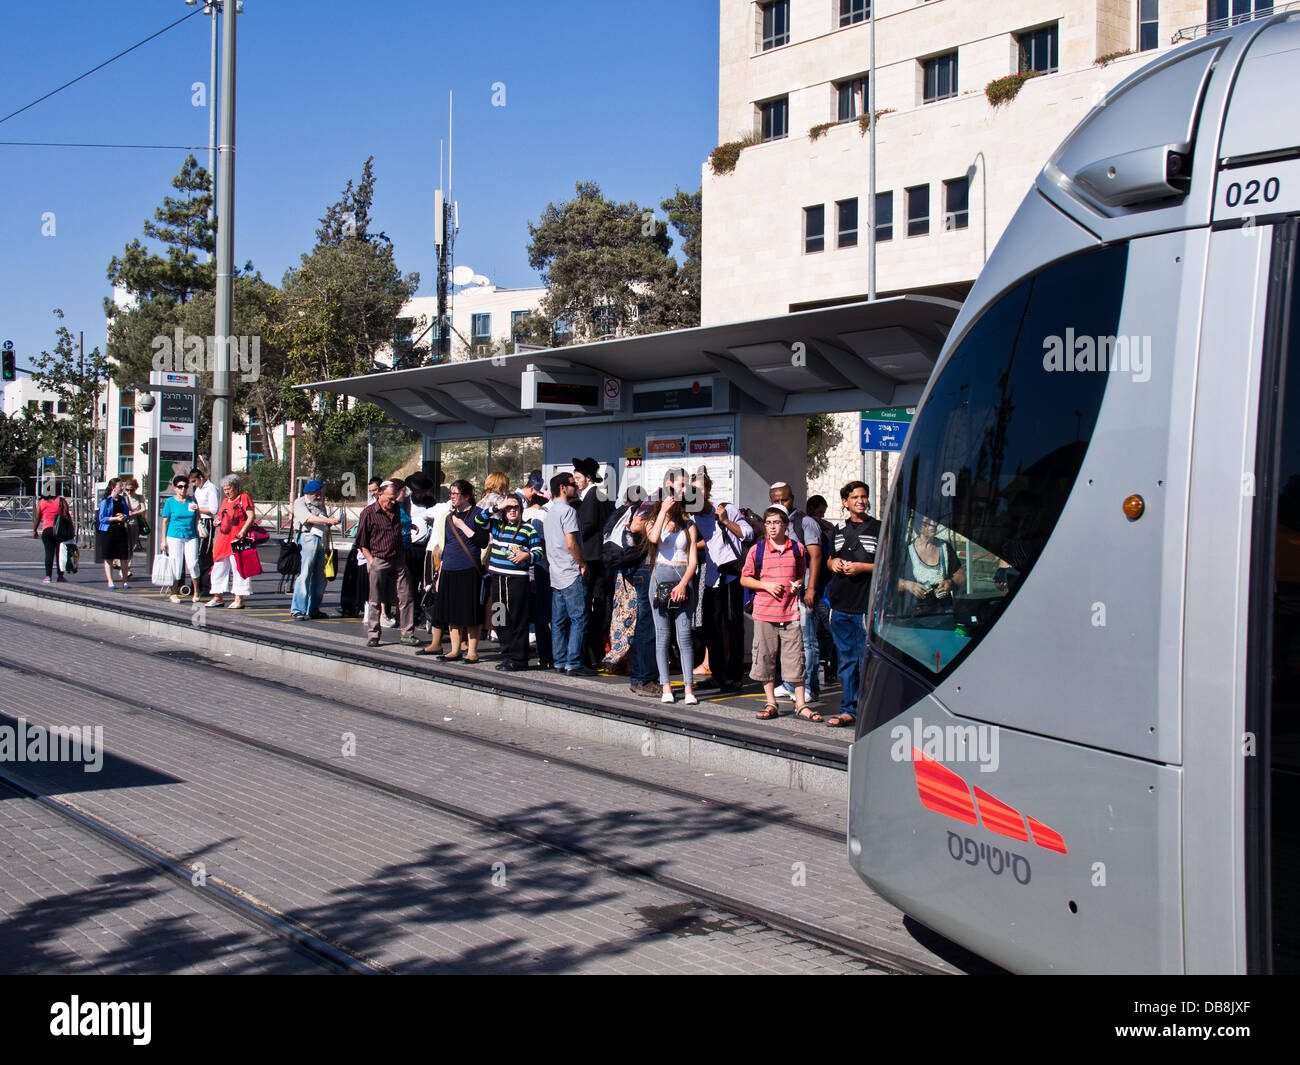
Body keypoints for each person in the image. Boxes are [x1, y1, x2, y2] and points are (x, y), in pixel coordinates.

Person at [743, 506, 816, 721]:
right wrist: (766, 586)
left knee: (796, 659)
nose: (772, 527)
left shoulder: (797, 548)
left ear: (786, 525)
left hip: (790, 613)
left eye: (776, 523)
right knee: (765, 658)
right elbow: (745, 578)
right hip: (764, 613)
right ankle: (770, 702)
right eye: (768, 523)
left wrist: (798, 585)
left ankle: (800, 704)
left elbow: (801, 574)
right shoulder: (757, 550)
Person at [690, 468, 752, 694]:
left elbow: (748, 534)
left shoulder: (726, 509)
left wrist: (725, 521)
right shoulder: (693, 513)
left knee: (733, 625)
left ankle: (734, 676)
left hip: (732, 576)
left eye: (698, 491)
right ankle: (717, 674)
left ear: (707, 491)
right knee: (710, 627)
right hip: (712, 577)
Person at [825, 481, 881, 728]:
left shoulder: (879, 528)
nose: (860, 500)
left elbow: (887, 563)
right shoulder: (837, 530)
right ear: (845, 502)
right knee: (846, 660)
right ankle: (848, 708)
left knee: (865, 660)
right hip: (840, 605)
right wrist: (833, 564)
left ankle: (868, 709)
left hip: (865, 606)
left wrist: (862, 568)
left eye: (864, 496)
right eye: (855, 497)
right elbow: (829, 559)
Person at [768, 482, 824, 704]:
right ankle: (790, 683)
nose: (781, 504)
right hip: (785, 594)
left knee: (808, 640)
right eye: (776, 501)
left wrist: (811, 588)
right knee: (790, 641)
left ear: (793, 498)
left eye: (785, 500)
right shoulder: (774, 524)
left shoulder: (805, 522)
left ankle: (810, 687)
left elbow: (816, 556)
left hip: (803, 591)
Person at [474, 492, 542, 671]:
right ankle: (507, 655)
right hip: (498, 579)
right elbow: (479, 519)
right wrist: (497, 507)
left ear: (521, 509)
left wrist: (527, 555)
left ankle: (519, 659)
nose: (512, 511)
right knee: (499, 618)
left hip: (517, 580)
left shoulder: (529, 529)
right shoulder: (496, 525)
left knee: (518, 619)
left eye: (516, 507)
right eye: (509, 508)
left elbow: (539, 552)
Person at [646, 490, 701, 705]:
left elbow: (693, 560)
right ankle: (666, 686)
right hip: (660, 576)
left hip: (682, 577)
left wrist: (683, 584)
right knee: (663, 634)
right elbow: (652, 538)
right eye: (667, 501)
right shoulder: (653, 522)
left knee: (685, 635)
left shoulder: (689, 525)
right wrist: (662, 513)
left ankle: (689, 688)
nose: (672, 505)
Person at [426, 479, 488, 660]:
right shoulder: (447, 517)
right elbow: (446, 544)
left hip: (469, 568)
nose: (452, 497)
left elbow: (483, 541)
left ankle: (472, 651)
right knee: (452, 611)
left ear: (467, 496)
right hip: (449, 567)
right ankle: (454, 649)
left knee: (471, 611)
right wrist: (440, 572)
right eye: (450, 494)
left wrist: (463, 527)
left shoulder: (479, 514)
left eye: (455, 494)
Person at [355, 480, 419, 648]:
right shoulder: (368, 513)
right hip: (379, 559)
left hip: (398, 559)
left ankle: (407, 634)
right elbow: (361, 542)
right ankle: (374, 634)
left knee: (406, 597)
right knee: (375, 599)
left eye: (394, 499)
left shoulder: (397, 508)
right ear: (379, 494)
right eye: (389, 498)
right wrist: (371, 561)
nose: (392, 502)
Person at [544, 472, 593, 676]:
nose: (576, 487)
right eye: (572, 484)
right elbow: (571, 543)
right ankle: (573, 662)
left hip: (555, 573)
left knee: (558, 621)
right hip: (570, 571)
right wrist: (582, 563)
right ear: (563, 488)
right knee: (578, 619)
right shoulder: (568, 512)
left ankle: (560, 660)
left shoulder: (550, 512)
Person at [573, 457, 612, 668]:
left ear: (588, 478)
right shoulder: (599, 495)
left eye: (578, 478)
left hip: (592, 557)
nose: (575, 481)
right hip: (597, 557)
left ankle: (591, 653)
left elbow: (586, 526)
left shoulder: (593, 496)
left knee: (590, 605)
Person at [290, 479, 340, 619]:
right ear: (308, 493)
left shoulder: (320, 504)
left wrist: (330, 521)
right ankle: (298, 609)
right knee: (305, 573)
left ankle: (314, 608)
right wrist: (329, 521)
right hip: (307, 538)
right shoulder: (300, 502)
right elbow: (308, 518)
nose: (318, 496)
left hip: (321, 540)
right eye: (315, 494)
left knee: (321, 577)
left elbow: (322, 518)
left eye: (320, 493)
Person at [208, 473, 258, 609]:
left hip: (238, 539)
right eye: (224, 489)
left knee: (239, 568)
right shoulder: (224, 502)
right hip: (223, 540)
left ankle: (239, 598)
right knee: (218, 568)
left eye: (229, 488)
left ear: (236, 487)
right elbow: (219, 516)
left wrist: (243, 531)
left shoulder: (244, 498)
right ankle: (217, 596)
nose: (227, 492)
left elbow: (251, 516)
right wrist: (216, 521)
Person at [898, 515, 965, 615]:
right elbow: (891, 582)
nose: (933, 525)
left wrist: (950, 582)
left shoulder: (945, 548)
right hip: (915, 613)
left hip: (943, 611)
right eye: (928, 522)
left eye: (935, 521)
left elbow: (961, 576)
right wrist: (907, 585)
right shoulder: (906, 551)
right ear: (918, 525)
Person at [521, 485, 553, 670]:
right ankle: (547, 654)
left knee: (537, 613)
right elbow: (540, 546)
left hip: (531, 569)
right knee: (545, 613)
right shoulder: (541, 517)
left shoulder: (527, 515)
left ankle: (543, 654)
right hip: (543, 567)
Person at [160, 475, 199, 602]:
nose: (183, 489)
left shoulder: (192, 500)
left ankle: (196, 592)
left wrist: (198, 528)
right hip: (174, 535)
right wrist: (163, 540)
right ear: (175, 488)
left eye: (185, 486)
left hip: (191, 535)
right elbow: (165, 521)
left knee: (193, 563)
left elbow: (197, 517)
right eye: (180, 487)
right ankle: (173, 592)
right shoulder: (170, 502)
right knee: (176, 564)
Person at [95, 478, 133, 589]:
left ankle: (124, 581)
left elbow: (127, 512)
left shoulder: (122, 500)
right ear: (113, 487)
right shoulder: (105, 502)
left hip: (121, 530)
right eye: (120, 485)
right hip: (108, 530)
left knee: (124, 557)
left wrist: (125, 516)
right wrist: (115, 519)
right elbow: (102, 518)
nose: (122, 487)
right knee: (109, 557)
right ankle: (110, 581)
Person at [189, 468, 220, 598]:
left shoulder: (210, 488)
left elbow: (214, 509)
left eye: (194, 481)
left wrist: (198, 508)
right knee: (198, 554)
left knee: (204, 554)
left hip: (206, 522)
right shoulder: (198, 489)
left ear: (200, 477)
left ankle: (206, 586)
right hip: (199, 520)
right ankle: (198, 584)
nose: (193, 484)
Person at [32, 486, 71, 583]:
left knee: (49, 553)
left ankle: (48, 576)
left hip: (47, 530)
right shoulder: (61, 501)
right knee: (60, 554)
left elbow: (37, 517)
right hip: (59, 531)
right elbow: (66, 515)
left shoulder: (41, 502)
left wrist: (34, 530)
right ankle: (60, 576)